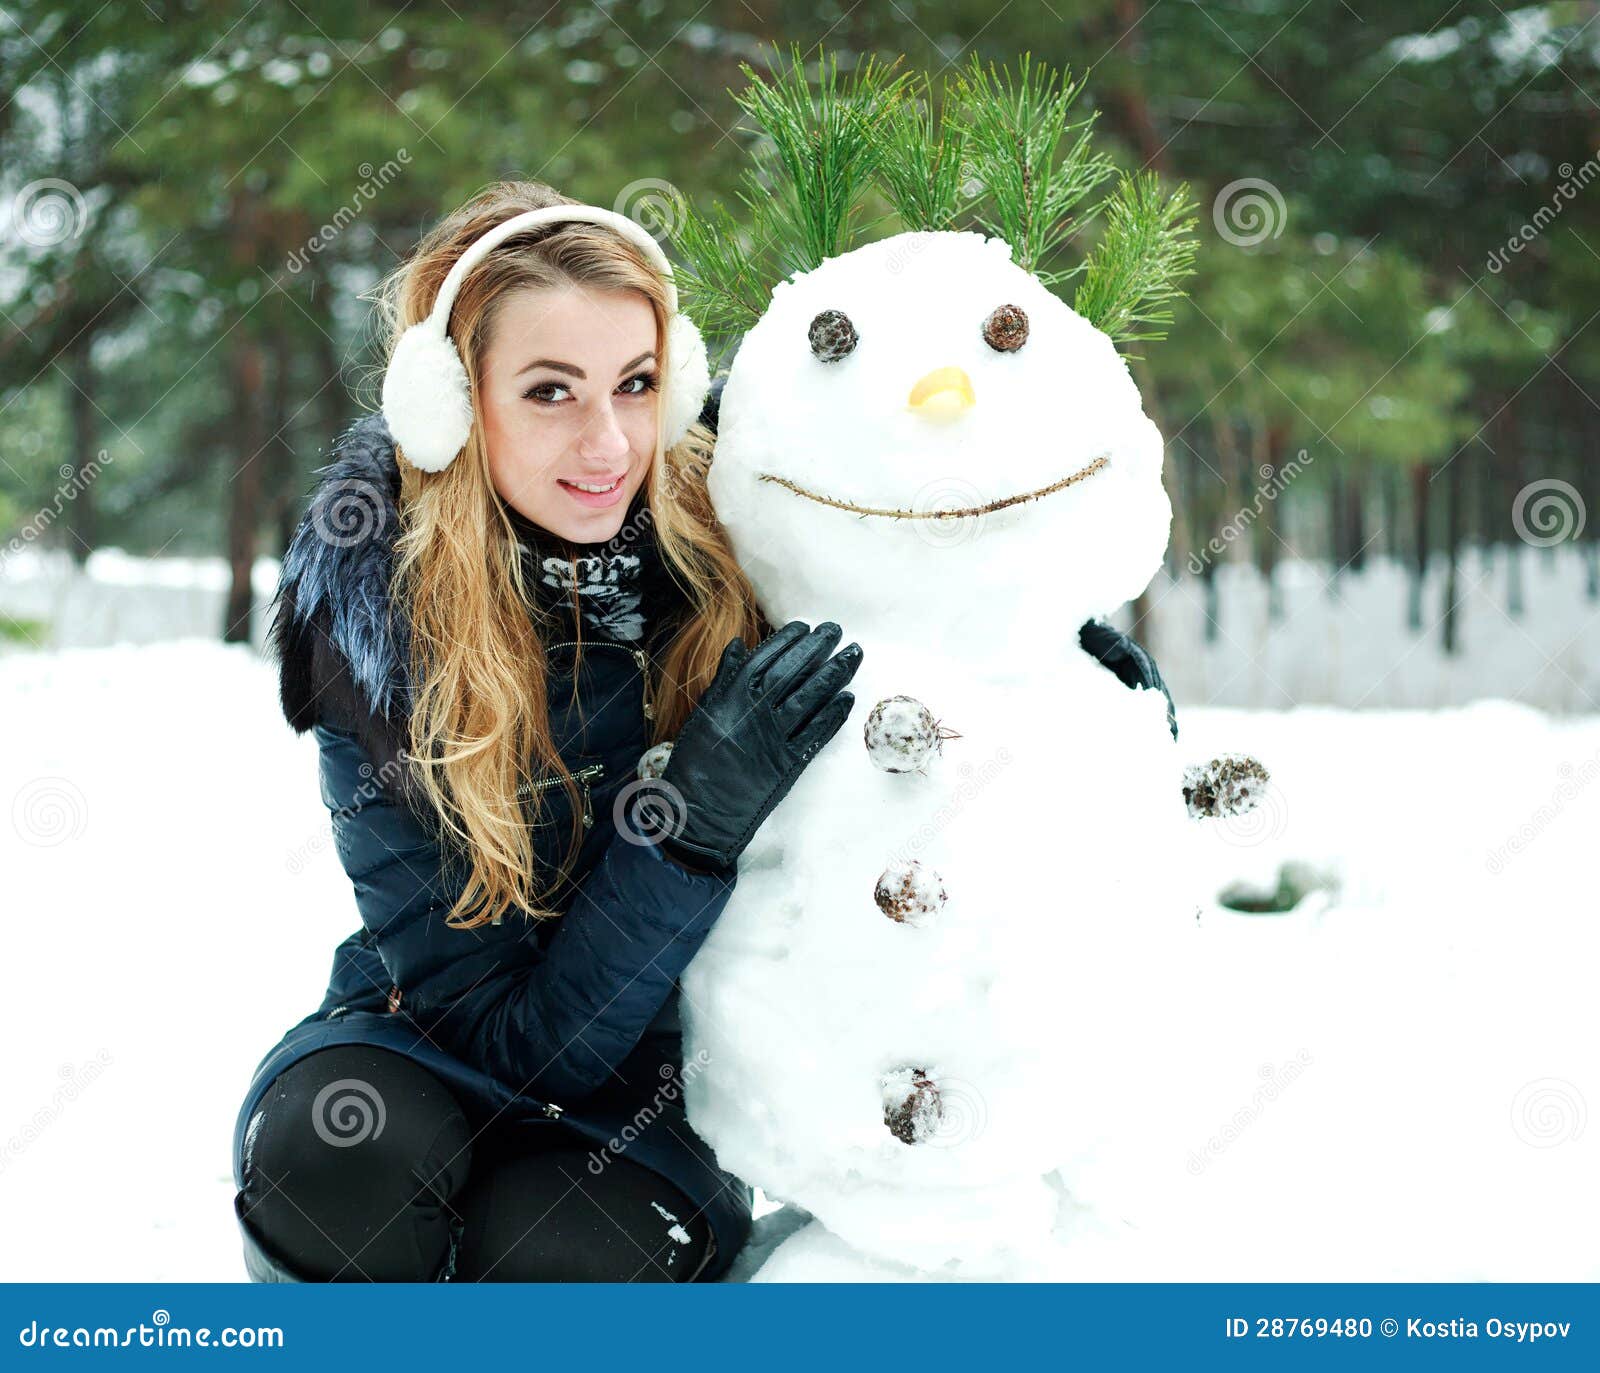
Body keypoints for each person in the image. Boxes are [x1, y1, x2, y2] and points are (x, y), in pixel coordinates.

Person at [229, 178, 1176, 1284]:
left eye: (636, 384)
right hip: (433, 1039)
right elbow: (506, 1030)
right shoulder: (377, 627)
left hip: (659, 1086)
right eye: (548, 391)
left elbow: (928, 618)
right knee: (334, 1162)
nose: (607, 441)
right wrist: (688, 824)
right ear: (450, 401)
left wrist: (1055, 673)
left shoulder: (747, 532)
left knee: (566, 1253)